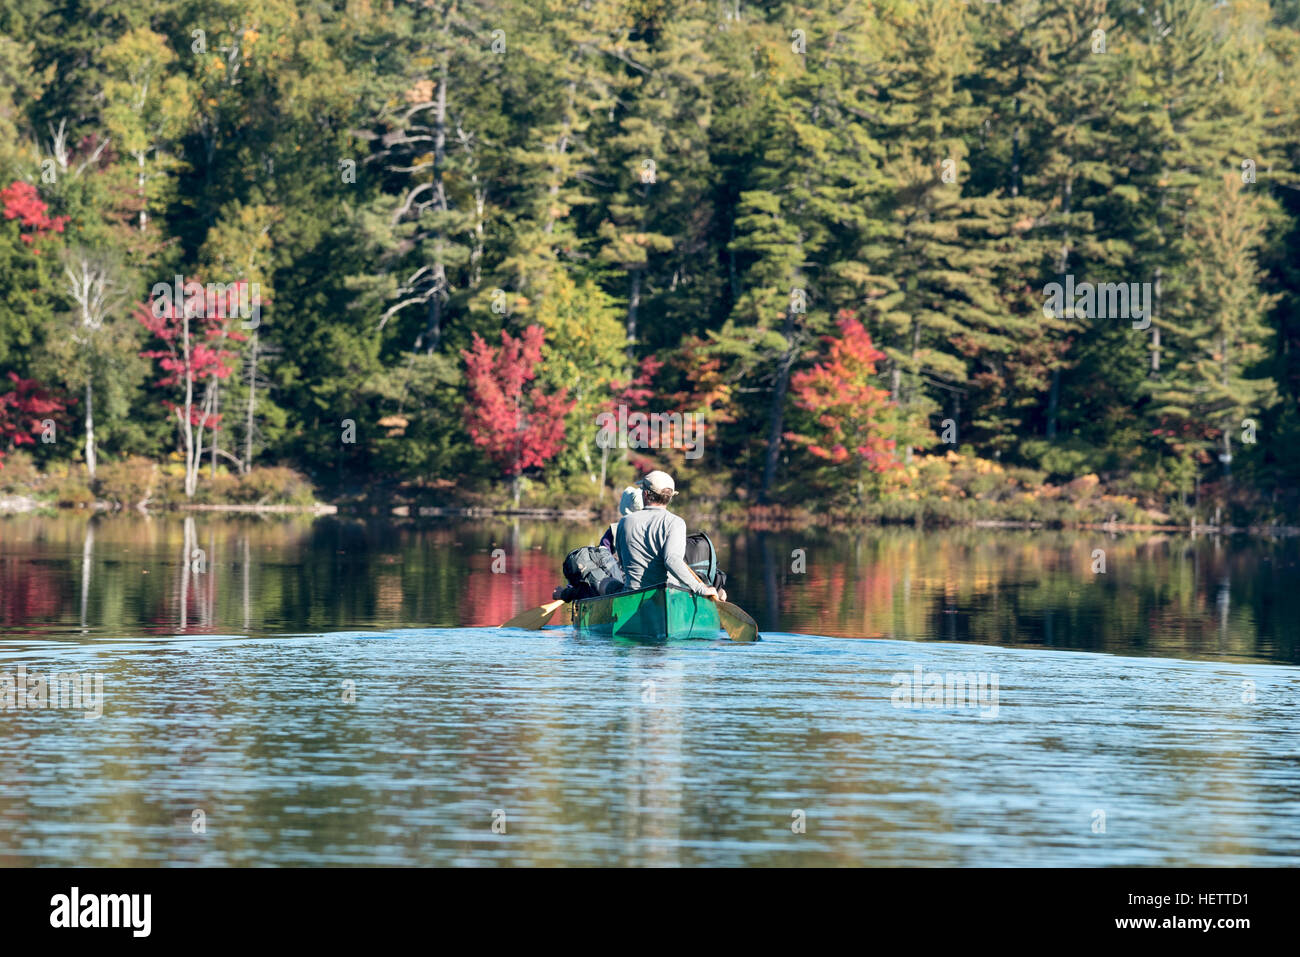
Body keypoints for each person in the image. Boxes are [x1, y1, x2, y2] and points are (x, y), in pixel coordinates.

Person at [615, 470, 718, 599]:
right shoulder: (675, 523)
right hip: (663, 596)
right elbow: (672, 560)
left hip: (630, 595)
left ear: (645, 494)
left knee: (604, 583)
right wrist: (700, 588)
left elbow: (622, 563)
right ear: (669, 497)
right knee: (720, 592)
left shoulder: (624, 521)